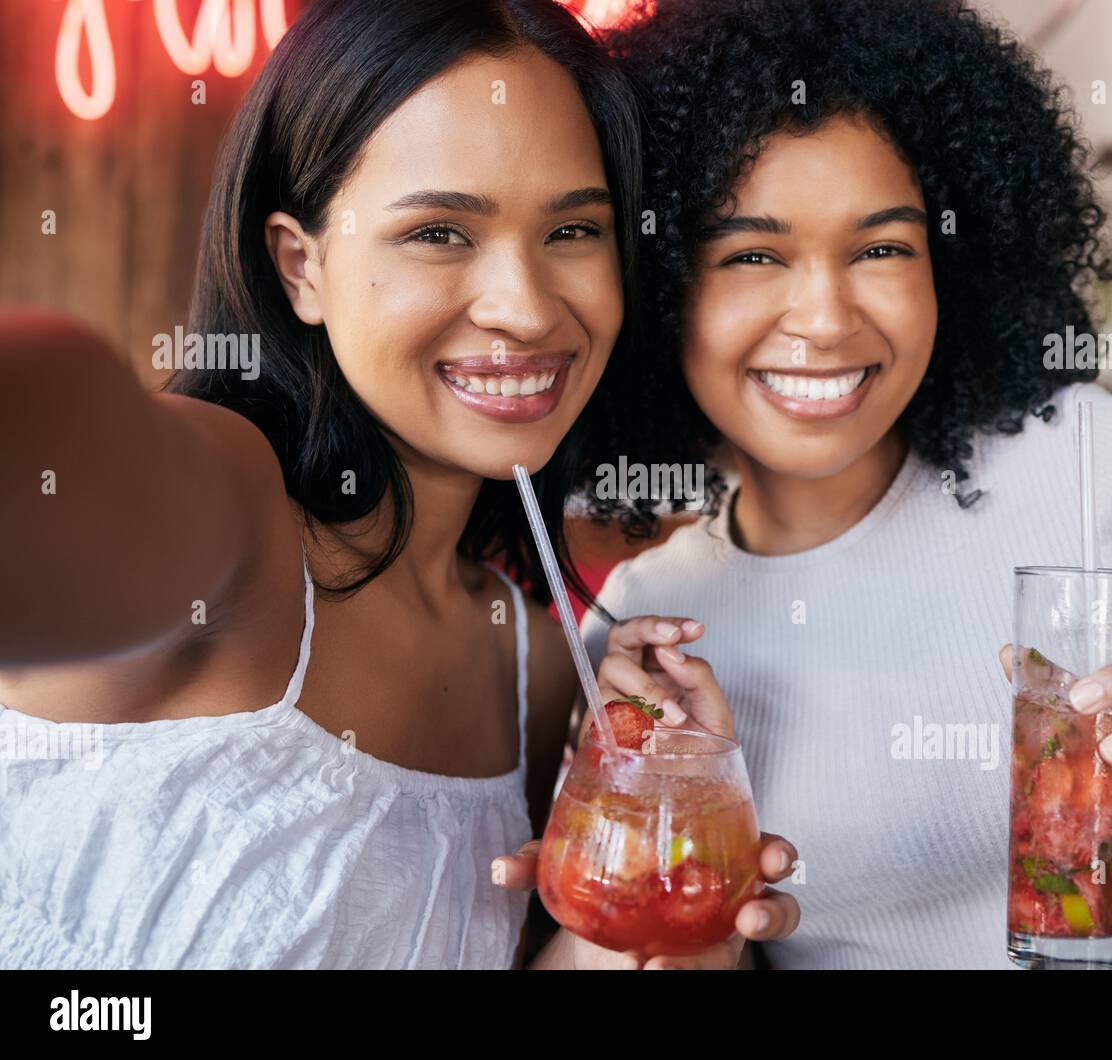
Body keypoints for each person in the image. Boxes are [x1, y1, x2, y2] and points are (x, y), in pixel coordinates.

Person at [0, 0, 795, 970]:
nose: (524, 306)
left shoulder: (537, 672)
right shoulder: (225, 512)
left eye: (572, 231)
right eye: (440, 233)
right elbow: (54, 430)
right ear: (301, 267)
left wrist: (667, 899)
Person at [576, 0, 1112, 968]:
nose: (826, 319)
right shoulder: (648, 629)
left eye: (881, 248)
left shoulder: (1102, 470)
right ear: (661, 282)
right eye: (752, 253)